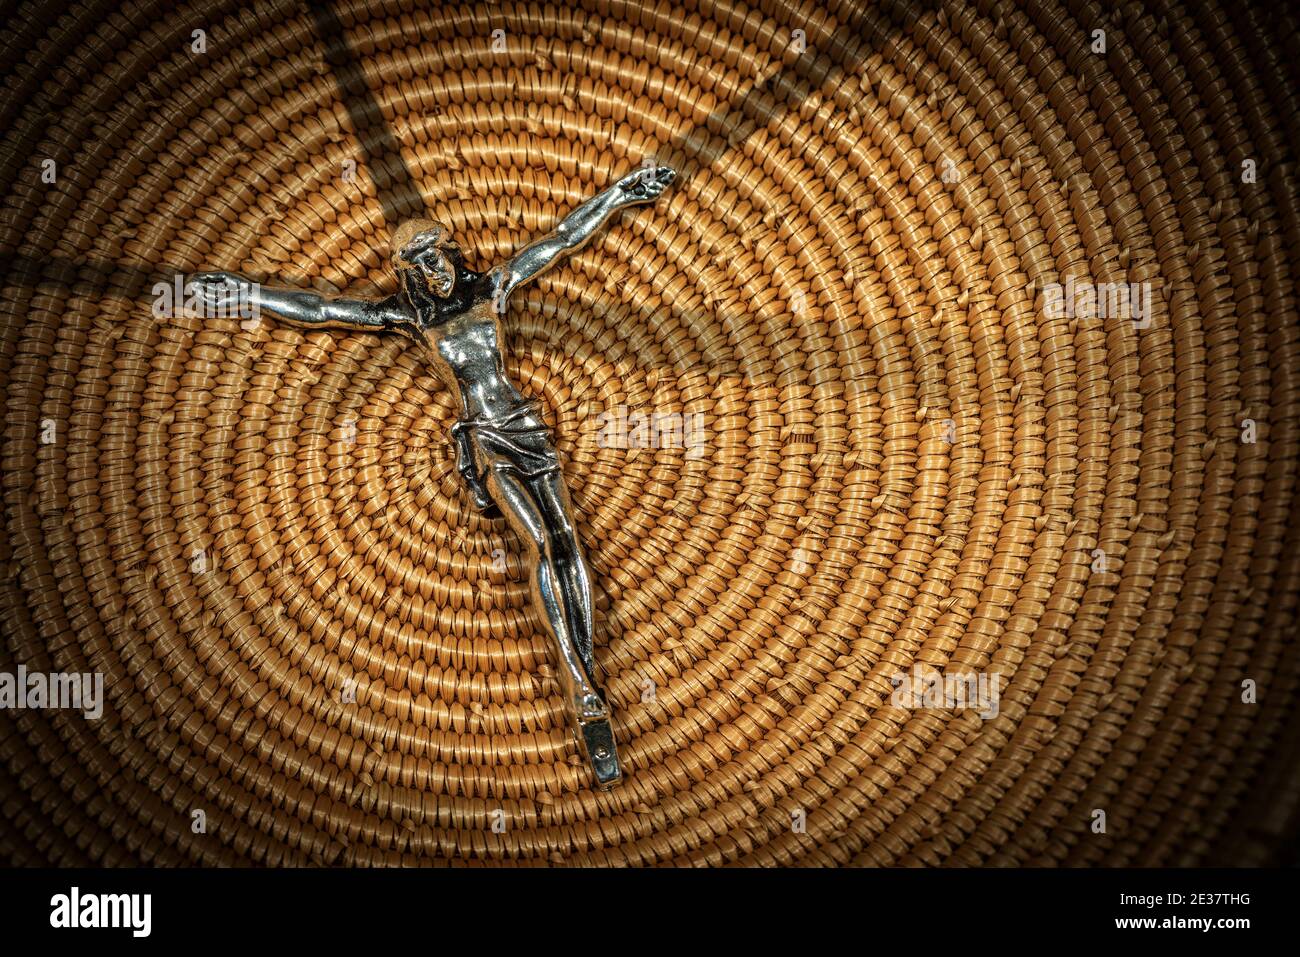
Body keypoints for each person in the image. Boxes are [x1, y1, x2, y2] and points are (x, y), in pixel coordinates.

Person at [192, 164, 677, 788]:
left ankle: (585, 680)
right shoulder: (412, 318)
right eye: (417, 264)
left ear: (454, 252)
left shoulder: (491, 290)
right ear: (409, 276)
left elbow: (559, 238)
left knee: (569, 542)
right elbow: (318, 308)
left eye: (436, 254)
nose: (431, 269)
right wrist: (244, 292)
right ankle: (583, 689)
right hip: (484, 440)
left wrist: (618, 193)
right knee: (538, 546)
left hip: (528, 426)